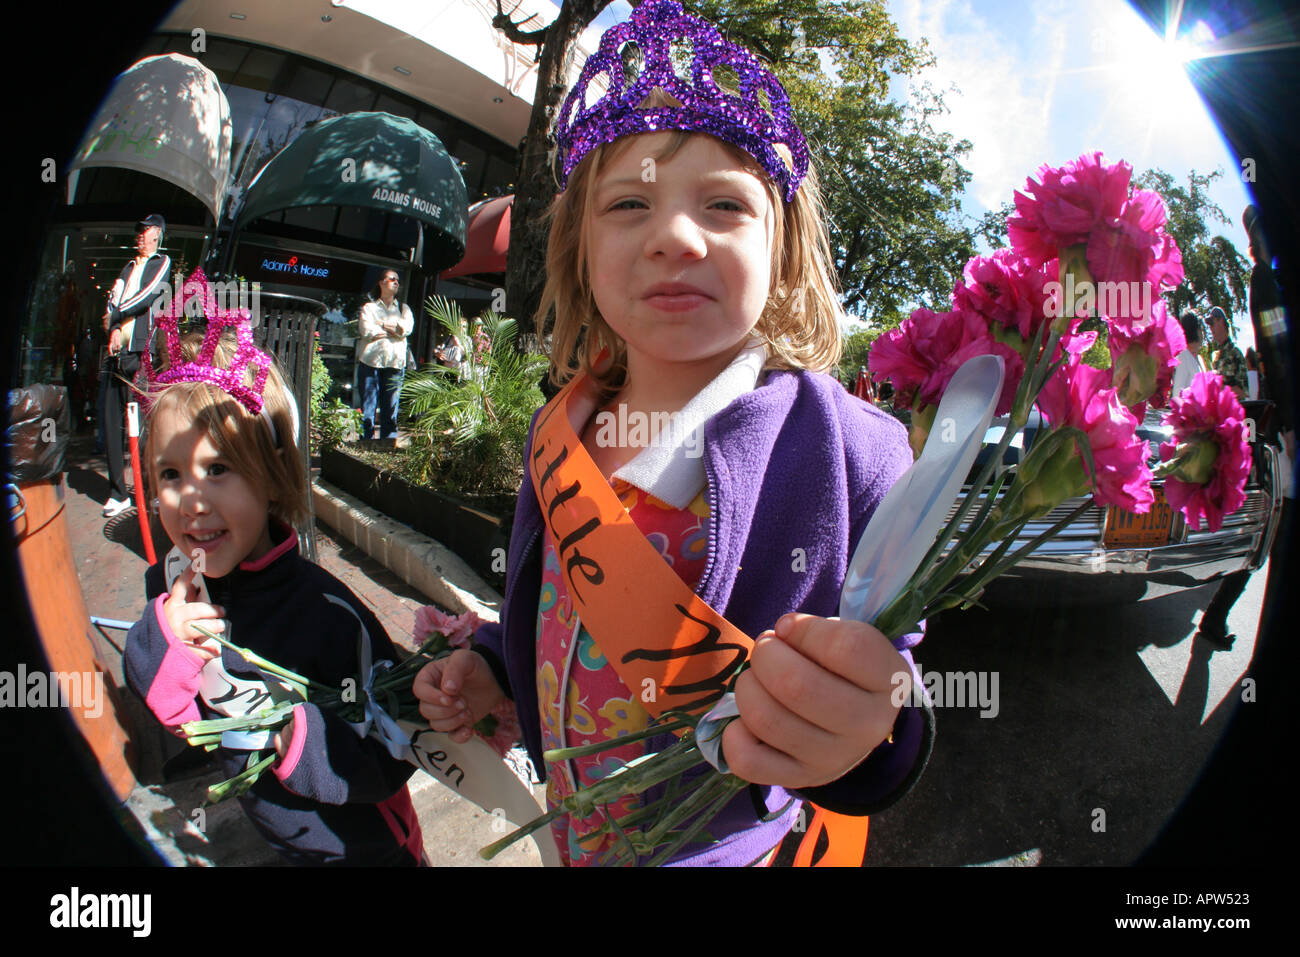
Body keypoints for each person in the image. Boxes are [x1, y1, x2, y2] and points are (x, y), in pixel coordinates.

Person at [412, 0, 930, 866]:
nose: (675, 237)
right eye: (628, 205)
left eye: (724, 204)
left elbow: (890, 674)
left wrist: (875, 738)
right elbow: (552, 599)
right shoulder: (560, 425)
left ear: (784, 247)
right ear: (579, 245)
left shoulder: (852, 452)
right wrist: (495, 664)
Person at [124, 292, 424, 865]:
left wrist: (304, 743)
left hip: (365, 848)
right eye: (169, 473)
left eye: (217, 469)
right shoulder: (175, 589)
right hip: (283, 843)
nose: (190, 500)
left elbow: (400, 743)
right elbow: (161, 698)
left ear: (270, 477)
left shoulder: (328, 614)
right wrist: (165, 637)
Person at [101, 214, 171, 516]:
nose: (139, 237)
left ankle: (149, 491)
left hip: (141, 354)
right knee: (109, 419)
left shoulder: (161, 263)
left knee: (142, 427)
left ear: (157, 233)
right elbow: (111, 301)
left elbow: (147, 296)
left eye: (144, 231)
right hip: (115, 354)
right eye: (139, 232)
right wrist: (113, 328)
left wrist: (115, 316)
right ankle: (119, 493)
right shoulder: (127, 267)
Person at [354, 269, 413, 440]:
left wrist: (381, 324)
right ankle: (366, 442)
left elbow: (406, 329)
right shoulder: (369, 308)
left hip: (395, 364)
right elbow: (367, 331)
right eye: (392, 279)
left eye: (398, 280)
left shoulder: (404, 309)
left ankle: (388, 444)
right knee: (368, 407)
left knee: (391, 408)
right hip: (370, 362)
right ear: (381, 282)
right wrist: (394, 330)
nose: (396, 282)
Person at [1206, 305, 1248, 402]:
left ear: (1221, 321)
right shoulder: (1217, 356)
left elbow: (1243, 392)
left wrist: (1218, 388)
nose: (1210, 329)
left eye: (1212, 324)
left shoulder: (1235, 353)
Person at [1171, 310, 1206, 399]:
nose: (1203, 333)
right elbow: (1177, 395)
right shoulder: (1183, 356)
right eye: (1201, 329)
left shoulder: (1199, 359)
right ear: (1196, 330)